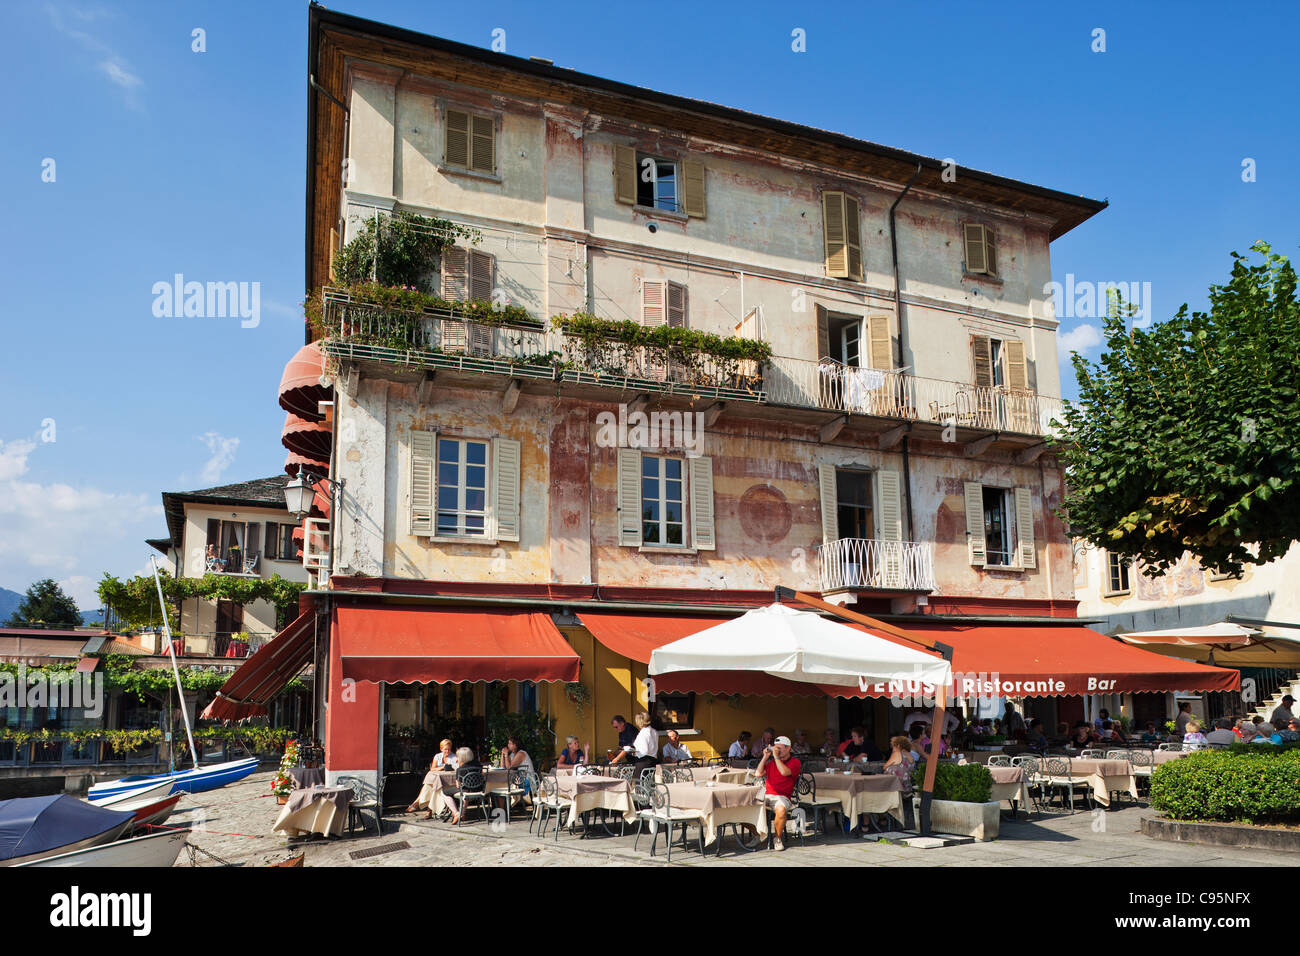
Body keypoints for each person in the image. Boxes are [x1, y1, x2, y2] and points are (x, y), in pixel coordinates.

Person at [755, 735, 801, 851]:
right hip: (766, 794)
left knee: (781, 810)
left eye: (780, 748)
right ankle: (758, 835)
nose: (777, 751)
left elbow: (784, 772)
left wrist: (776, 757)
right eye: (776, 748)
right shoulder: (771, 763)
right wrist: (765, 757)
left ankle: (778, 838)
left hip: (782, 796)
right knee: (743, 806)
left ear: (788, 748)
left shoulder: (795, 762)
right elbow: (758, 774)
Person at [442, 747, 484, 824]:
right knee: (465, 792)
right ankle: (462, 814)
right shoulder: (479, 765)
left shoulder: (460, 769)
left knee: (445, 792)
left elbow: (458, 785)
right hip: (478, 789)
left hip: (465, 790)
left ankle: (456, 813)